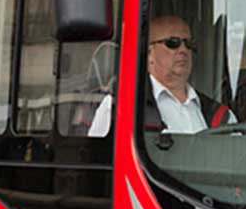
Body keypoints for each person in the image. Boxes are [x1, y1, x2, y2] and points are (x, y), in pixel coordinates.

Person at [87, 15, 235, 137]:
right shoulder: (119, 106)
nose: (183, 50)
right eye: (172, 43)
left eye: (189, 44)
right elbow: (97, 161)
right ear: (149, 54)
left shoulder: (221, 116)